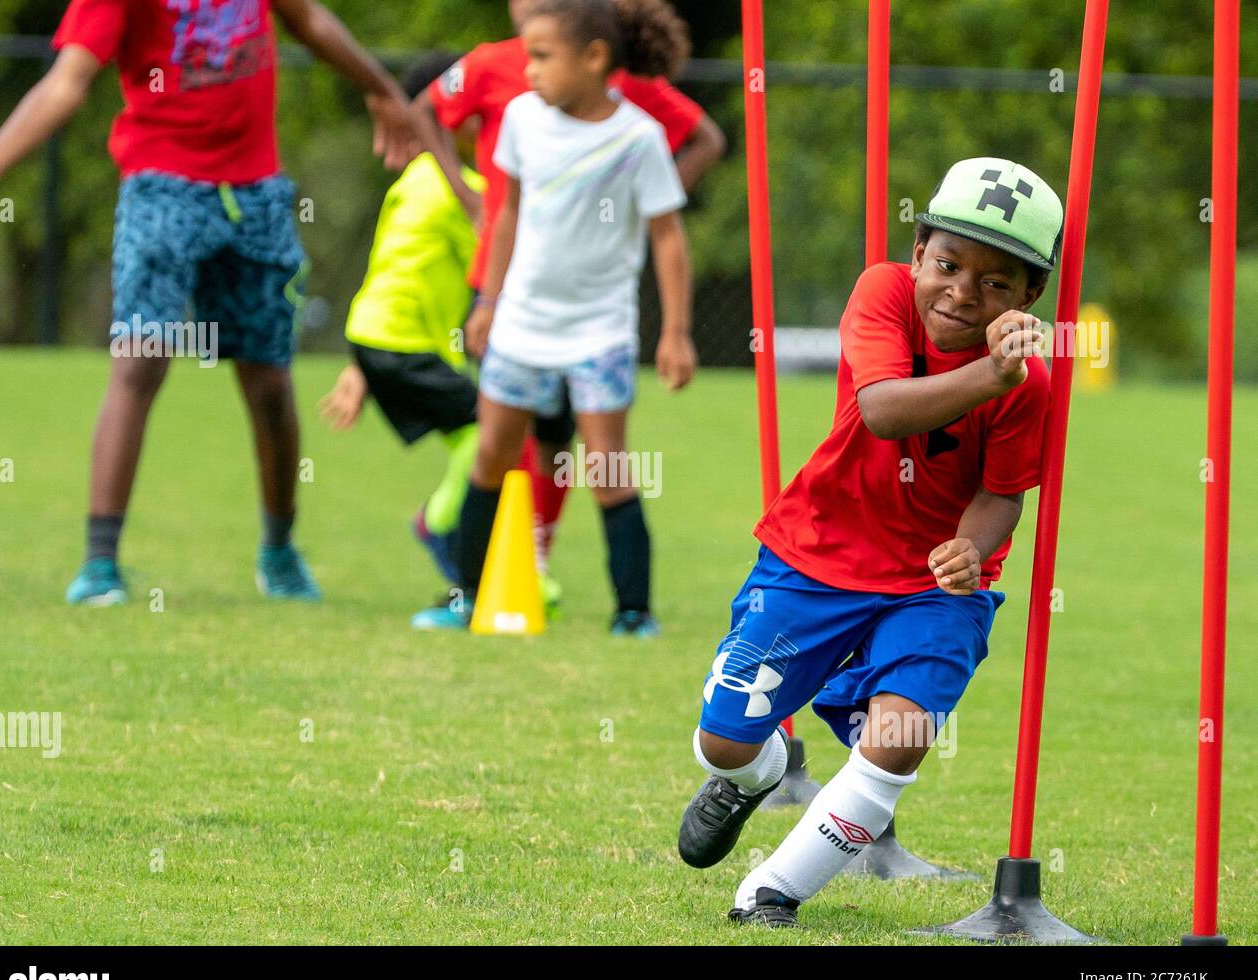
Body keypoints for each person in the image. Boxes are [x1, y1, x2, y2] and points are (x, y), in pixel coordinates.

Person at [677, 157, 1064, 928]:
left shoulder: (1034, 384)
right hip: (815, 551)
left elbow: (1001, 496)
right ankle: (761, 773)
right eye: (948, 265)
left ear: (1028, 298)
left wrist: (969, 548)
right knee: (723, 742)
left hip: (935, 587)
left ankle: (770, 894)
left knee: (900, 737)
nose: (961, 292)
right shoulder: (882, 292)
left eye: (995, 284)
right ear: (917, 253)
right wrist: (993, 374)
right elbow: (886, 410)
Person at [0, 0, 414, 605]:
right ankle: (100, 565)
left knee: (270, 383)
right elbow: (69, 80)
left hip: (256, 192)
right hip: (161, 187)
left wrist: (381, 87)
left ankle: (278, 553)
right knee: (140, 359)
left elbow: (308, 19)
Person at [411, 0, 725, 609]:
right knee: (492, 457)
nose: (526, 71)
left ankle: (633, 614)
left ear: (594, 58)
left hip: (598, 333)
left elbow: (668, 238)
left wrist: (677, 332)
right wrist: (489, 305)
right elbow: (507, 217)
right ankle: (469, 599)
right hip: (521, 322)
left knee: (607, 469)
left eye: (541, 57)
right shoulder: (525, 119)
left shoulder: (637, 137)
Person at [319, 52, 486, 585]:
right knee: (493, 435)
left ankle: (467, 542)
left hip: (379, 339)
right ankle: (439, 526)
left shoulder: (415, 179)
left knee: (475, 437)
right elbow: (501, 263)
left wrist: (360, 362)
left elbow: (387, 269)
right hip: (402, 345)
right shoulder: (464, 193)